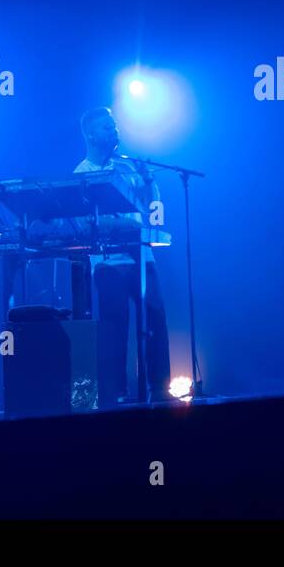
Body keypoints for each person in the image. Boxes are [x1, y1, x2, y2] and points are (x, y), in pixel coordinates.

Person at [70, 107, 171, 403]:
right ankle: (115, 392)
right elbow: (87, 222)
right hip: (108, 261)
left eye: (114, 126)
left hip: (141, 256)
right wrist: (123, 223)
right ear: (90, 133)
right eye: (106, 127)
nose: (113, 131)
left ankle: (160, 388)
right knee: (115, 324)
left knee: (155, 316)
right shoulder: (82, 172)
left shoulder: (129, 167)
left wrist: (150, 181)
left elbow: (154, 210)